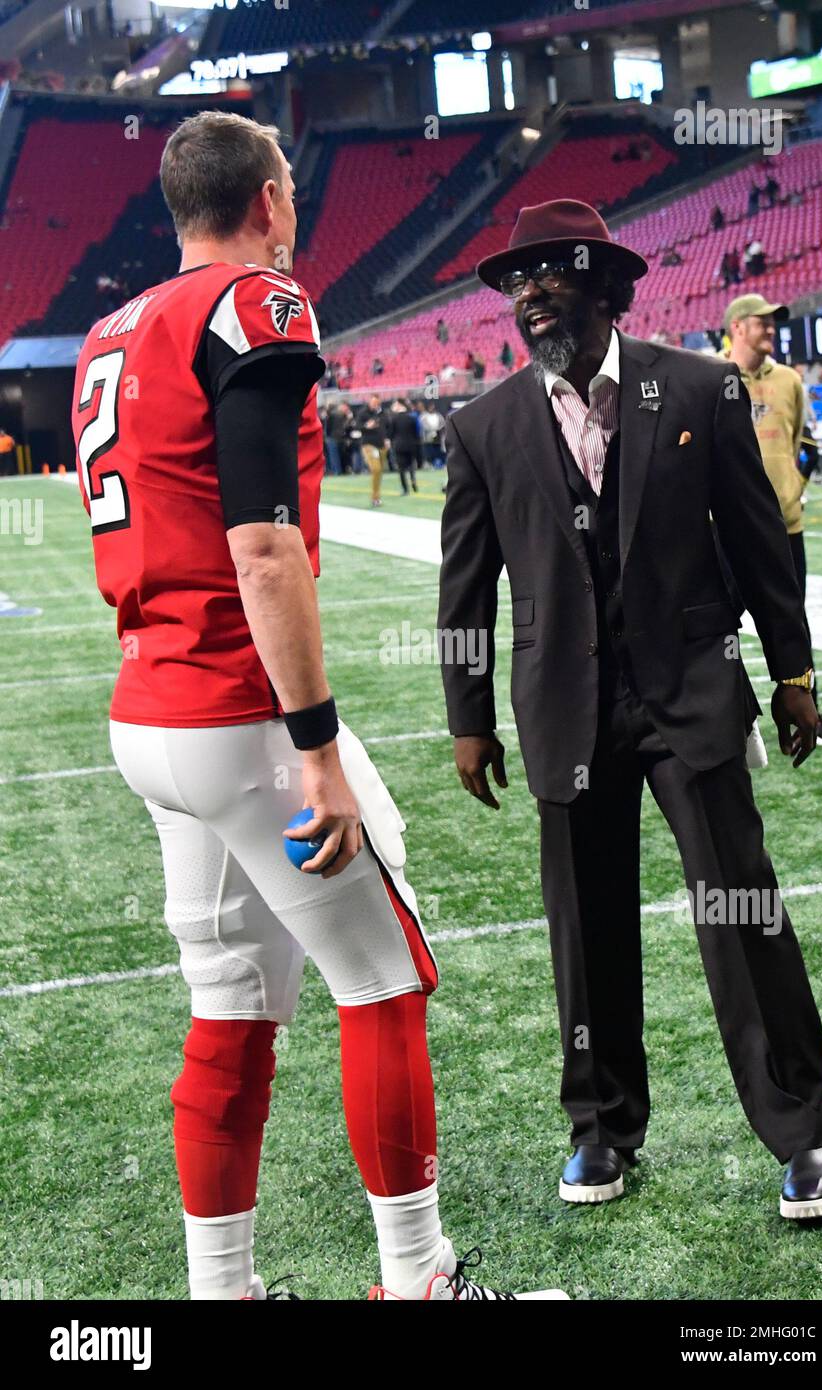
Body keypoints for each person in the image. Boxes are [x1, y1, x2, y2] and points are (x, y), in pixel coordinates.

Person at [71, 111, 562, 1304]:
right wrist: (317, 746)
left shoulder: (110, 327)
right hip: (240, 715)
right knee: (383, 978)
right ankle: (418, 1281)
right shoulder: (257, 302)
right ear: (272, 199)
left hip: (151, 705)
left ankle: (220, 1293)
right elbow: (262, 544)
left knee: (231, 1000)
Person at [438, 198, 822, 1222]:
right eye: (518, 280)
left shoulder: (702, 389)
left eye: (552, 273)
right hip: (562, 708)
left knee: (738, 907)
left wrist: (791, 675)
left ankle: (800, 1130)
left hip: (691, 693)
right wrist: (467, 712)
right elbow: (461, 588)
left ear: (606, 287)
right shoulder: (482, 427)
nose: (531, 291)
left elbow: (760, 546)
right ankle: (600, 1125)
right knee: (585, 925)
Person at [723, 294, 822, 746]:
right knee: (718, 625)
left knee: (793, 620)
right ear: (738, 326)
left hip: (785, 524)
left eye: (774, 324)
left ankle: (810, 713)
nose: (772, 330)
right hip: (726, 529)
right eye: (763, 323)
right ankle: (728, 718)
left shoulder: (791, 380)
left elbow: (802, 443)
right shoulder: (710, 377)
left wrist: (792, 487)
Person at [358, 394, 389, 508]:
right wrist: (367, 426)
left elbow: (386, 427)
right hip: (369, 444)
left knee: (380, 472)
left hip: (381, 445)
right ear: (369, 402)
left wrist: (387, 439)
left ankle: (377, 496)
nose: (375, 405)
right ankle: (375, 498)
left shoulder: (382, 413)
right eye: (374, 403)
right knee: (376, 469)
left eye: (377, 403)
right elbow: (357, 426)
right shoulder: (363, 413)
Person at [389, 398, 421, 495]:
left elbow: (391, 433)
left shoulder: (394, 419)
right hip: (411, 444)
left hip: (399, 445)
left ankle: (405, 489)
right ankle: (413, 480)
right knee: (411, 465)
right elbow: (417, 433)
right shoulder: (412, 418)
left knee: (401, 468)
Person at [420, 403, 445, 468]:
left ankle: (440, 463)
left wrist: (437, 429)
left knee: (438, 450)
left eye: (433, 407)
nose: (432, 409)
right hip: (428, 437)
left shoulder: (439, 415)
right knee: (429, 451)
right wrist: (431, 430)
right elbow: (423, 426)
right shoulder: (424, 416)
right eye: (430, 407)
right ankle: (430, 463)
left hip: (438, 437)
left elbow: (442, 424)